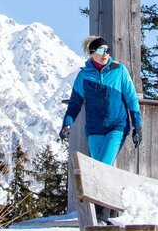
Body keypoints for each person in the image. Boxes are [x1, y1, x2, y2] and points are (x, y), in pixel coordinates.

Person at [59, 36, 142, 165]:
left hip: (117, 126)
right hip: (94, 129)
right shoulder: (84, 75)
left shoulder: (119, 70)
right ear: (92, 53)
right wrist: (67, 124)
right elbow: (74, 104)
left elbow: (131, 99)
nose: (105, 54)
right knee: (97, 169)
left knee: (103, 166)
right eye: (100, 50)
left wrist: (137, 127)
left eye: (107, 50)